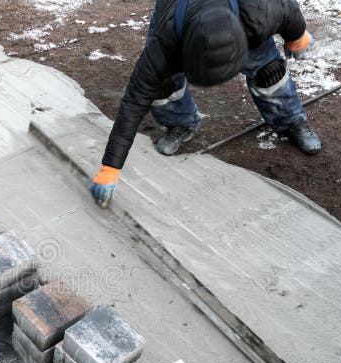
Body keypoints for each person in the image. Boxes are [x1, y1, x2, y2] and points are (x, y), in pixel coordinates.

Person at [91, 0, 319, 208]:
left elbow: (288, 11)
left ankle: (290, 121)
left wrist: (297, 37)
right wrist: (110, 169)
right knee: (161, 85)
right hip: (179, 16)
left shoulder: (260, 11)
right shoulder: (165, 43)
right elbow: (134, 101)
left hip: (242, 16)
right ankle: (179, 122)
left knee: (269, 72)